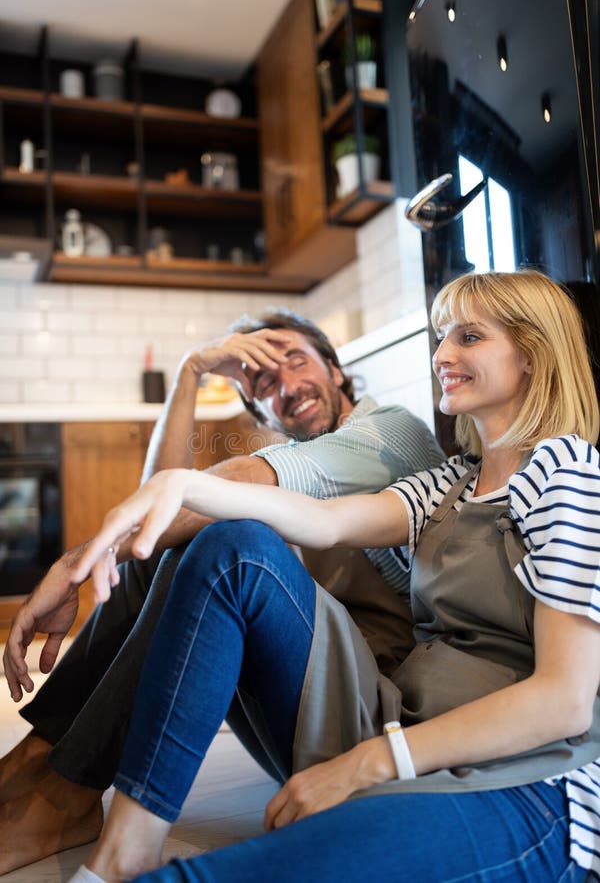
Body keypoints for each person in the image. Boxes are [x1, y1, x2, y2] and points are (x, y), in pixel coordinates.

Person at [66, 270, 600, 883]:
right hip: (402, 721)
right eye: (441, 337)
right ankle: (123, 850)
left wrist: (371, 761)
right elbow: (322, 521)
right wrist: (181, 483)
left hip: (514, 768)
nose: (442, 354)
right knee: (234, 544)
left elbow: (565, 701)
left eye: (468, 337)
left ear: (533, 355)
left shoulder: (567, 471)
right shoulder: (451, 483)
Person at [0, 309, 443, 874]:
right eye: (264, 384)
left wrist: (76, 562)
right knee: (172, 544)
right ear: (259, 411)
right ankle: (42, 771)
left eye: (296, 361)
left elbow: (204, 497)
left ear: (335, 370)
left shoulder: (391, 432)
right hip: (305, 708)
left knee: (227, 534)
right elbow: (159, 519)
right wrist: (190, 372)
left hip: (379, 719)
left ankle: (60, 798)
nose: (286, 387)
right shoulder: (293, 462)